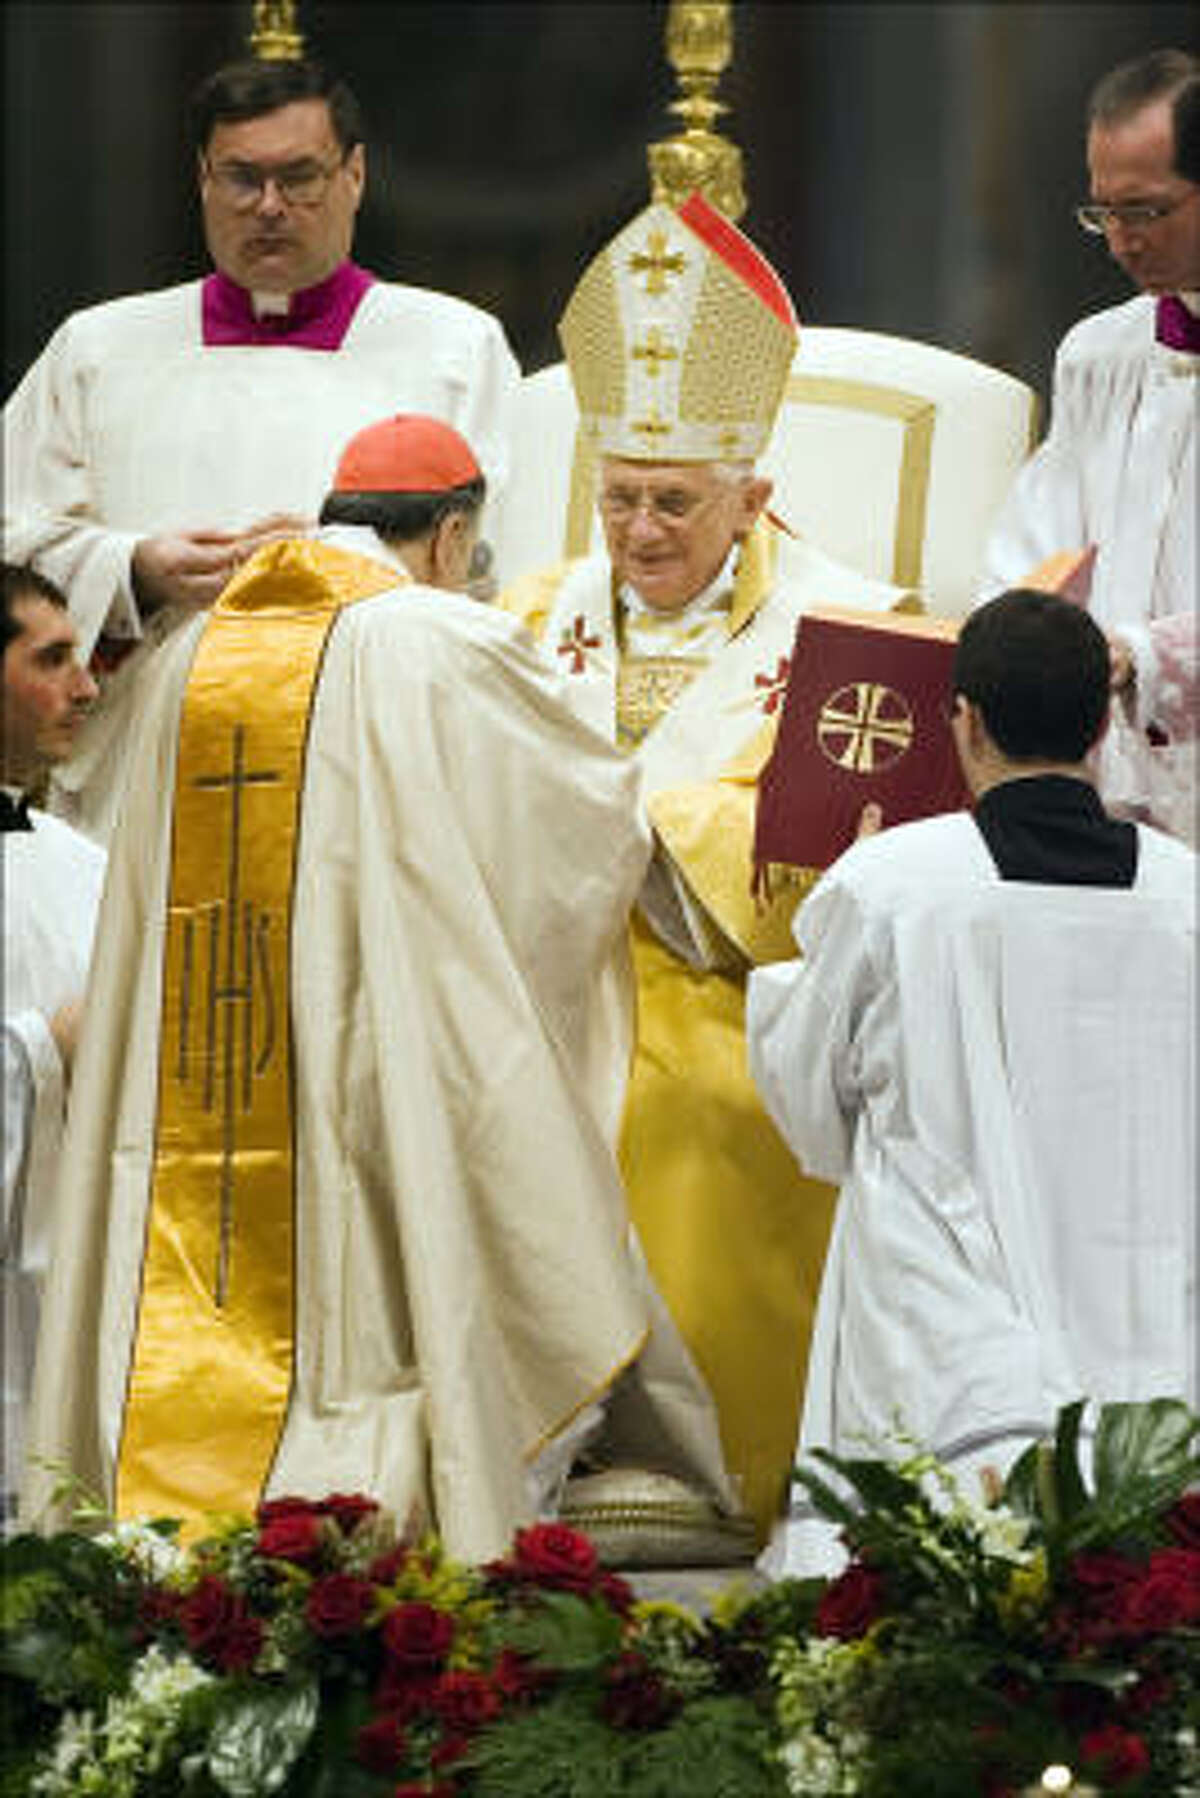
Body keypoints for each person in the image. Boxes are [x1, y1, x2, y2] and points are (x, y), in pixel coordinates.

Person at [20, 415, 737, 1566]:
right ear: (453, 536)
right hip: (368, 1034)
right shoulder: (447, 639)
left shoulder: (188, 651)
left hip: (204, 1050)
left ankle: (159, 1486)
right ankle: (371, 1476)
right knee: (405, 1246)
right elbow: (583, 831)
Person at [500, 193, 915, 1544]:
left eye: (675, 501)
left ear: (754, 494)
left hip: (728, 993)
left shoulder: (857, 631)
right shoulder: (520, 620)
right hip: (539, 978)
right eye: (619, 498)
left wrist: (640, 822)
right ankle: (519, 1461)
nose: (640, 533)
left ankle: (732, 1466)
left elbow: (839, 855)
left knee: (704, 1111)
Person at [747, 590, 1196, 1572]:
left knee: (933, 1604)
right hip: (1145, 1320)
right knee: (1135, 1607)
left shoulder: (892, 887)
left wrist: (833, 903)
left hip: (940, 1317)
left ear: (967, 720)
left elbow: (808, 1098)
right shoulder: (1186, 897)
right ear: (1098, 724)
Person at [2, 56, 519, 845]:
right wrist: (135, 567)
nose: (269, 207)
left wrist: (324, 573)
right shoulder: (98, 350)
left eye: (299, 178)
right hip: (148, 772)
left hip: (362, 778)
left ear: (355, 175)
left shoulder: (454, 348)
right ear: (202, 179)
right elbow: (11, 546)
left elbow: (494, 569)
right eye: (242, 179)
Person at [981, 49, 1199, 843]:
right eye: (1102, 212)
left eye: (1145, 212)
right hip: (1102, 790)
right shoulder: (1096, 355)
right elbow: (1036, 549)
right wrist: (1013, 644)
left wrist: (1143, 655)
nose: (1118, 241)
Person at [1, 563, 106, 1525]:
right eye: (54, 660)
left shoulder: (90, 865)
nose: (88, 686)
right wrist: (43, 1047)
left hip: (73, 1301)